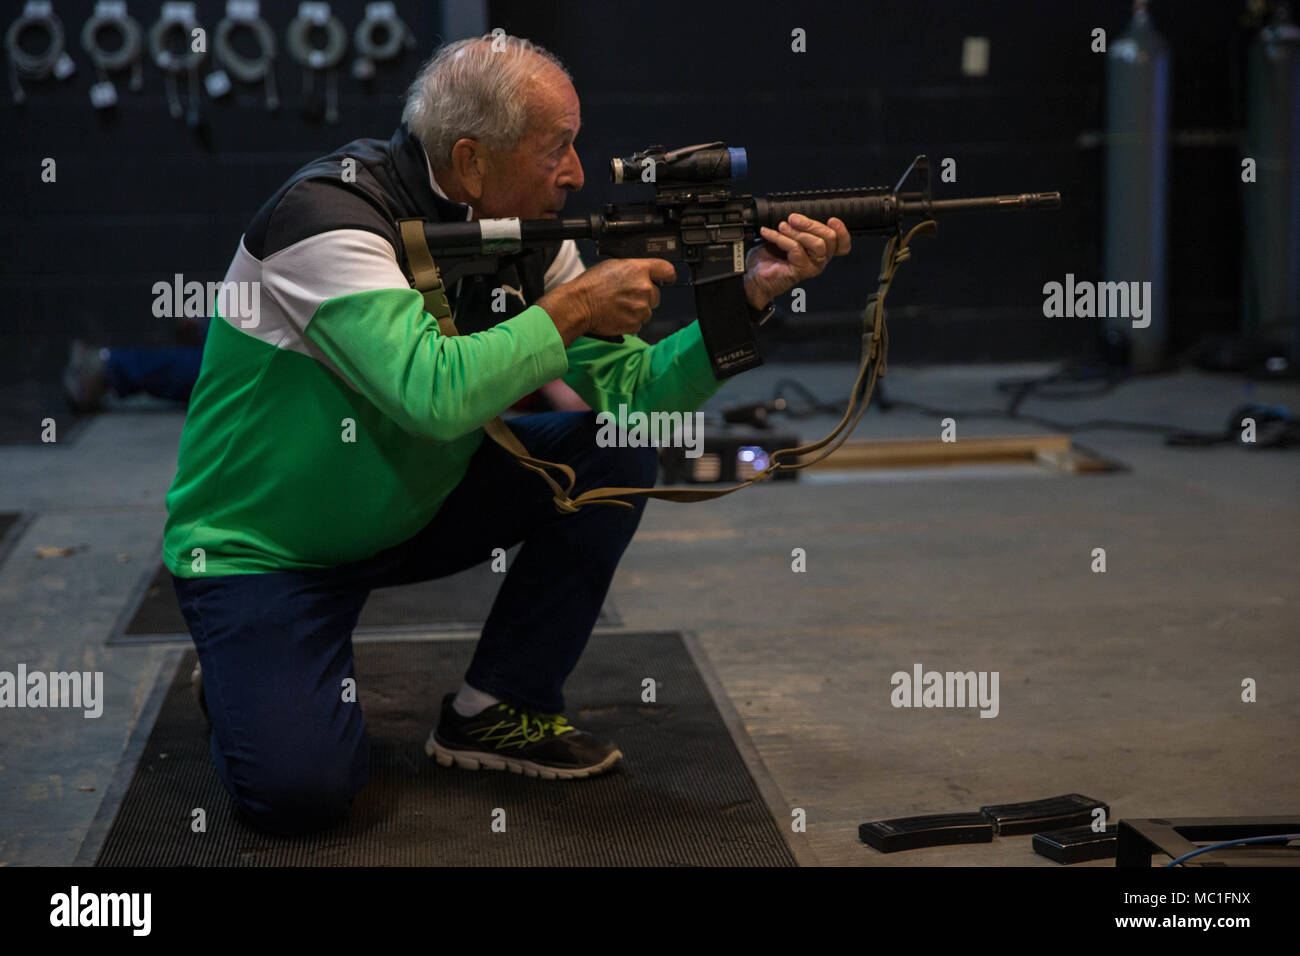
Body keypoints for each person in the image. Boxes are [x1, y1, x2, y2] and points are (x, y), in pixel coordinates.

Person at [162, 33, 850, 835]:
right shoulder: (329, 223)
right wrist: (574, 309)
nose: (578, 172)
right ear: (472, 158)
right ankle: (242, 670)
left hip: (411, 509)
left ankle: (499, 706)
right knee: (300, 799)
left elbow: (633, 397)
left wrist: (751, 299)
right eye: (557, 148)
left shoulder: (527, 235)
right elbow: (430, 394)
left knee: (613, 451)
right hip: (265, 549)